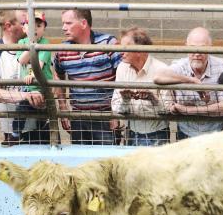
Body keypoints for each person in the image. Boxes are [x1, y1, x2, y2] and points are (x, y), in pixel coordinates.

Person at [53, 8, 123, 145]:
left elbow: (121, 78)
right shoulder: (63, 50)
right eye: (63, 23)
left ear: (84, 23)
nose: (63, 28)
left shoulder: (108, 44)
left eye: (68, 23)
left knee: (106, 162)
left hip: (105, 117)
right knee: (81, 162)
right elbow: (57, 76)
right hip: (78, 117)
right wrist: (63, 110)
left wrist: (115, 114)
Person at [0, 10, 45, 146]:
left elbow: (52, 79)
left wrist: (44, 95)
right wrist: (26, 96)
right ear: (8, 26)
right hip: (13, 133)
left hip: (42, 126)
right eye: (24, 23)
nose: (29, 27)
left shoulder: (39, 45)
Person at [153, 27, 223, 140]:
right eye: (192, 48)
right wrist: (190, 80)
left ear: (210, 48)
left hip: (216, 133)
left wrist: (186, 110)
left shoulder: (221, 66)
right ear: (186, 47)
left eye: (202, 48)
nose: (197, 53)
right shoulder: (180, 66)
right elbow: (157, 77)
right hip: (186, 132)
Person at [110, 27, 172, 146]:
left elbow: (169, 110)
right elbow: (116, 107)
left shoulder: (162, 69)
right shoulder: (122, 68)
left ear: (139, 50)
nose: (120, 52)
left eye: (125, 47)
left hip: (157, 134)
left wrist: (153, 100)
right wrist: (126, 100)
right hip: (131, 133)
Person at [14, 10, 53, 144]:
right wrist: (31, 46)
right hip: (29, 87)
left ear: (44, 29)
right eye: (31, 26)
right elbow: (22, 61)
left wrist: (31, 75)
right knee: (22, 108)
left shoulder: (45, 44)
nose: (35, 29)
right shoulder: (22, 42)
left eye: (39, 26)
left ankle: (49, 134)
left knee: (45, 111)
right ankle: (15, 133)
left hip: (42, 86)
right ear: (24, 28)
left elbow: (39, 65)